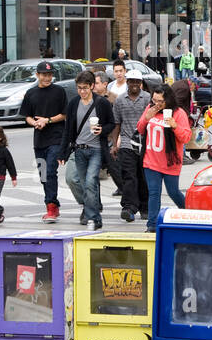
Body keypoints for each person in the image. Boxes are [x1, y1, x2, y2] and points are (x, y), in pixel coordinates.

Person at [60, 70, 115, 232]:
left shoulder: (101, 103)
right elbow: (68, 130)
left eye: (85, 88)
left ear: (92, 86)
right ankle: (95, 217)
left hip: (96, 149)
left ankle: (92, 218)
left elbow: (111, 124)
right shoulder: (73, 103)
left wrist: (102, 130)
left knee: (91, 182)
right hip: (79, 150)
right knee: (84, 184)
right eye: (79, 88)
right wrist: (62, 152)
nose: (82, 91)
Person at [139, 84, 191, 232]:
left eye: (160, 101)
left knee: (173, 192)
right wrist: (146, 118)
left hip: (170, 161)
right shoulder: (150, 109)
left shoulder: (179, 113)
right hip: (150, 160)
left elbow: (186, 137)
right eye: (154, 100)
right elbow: (140, 129)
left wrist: (175, 126)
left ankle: (191, 213)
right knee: (154, 193)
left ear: (168, 99)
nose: (157, 104)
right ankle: (152, 225)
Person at [20, 61, 67, 223]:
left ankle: (51, 206)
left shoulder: (59, 91)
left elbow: (65, 114)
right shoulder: (31, 93)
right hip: (39, 140)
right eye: (44, 75)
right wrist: (35, 123)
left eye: (50, 74)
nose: (47, 78)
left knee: (50, 171)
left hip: (56, 138)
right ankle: (54, 204)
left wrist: (47, 120)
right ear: (37, 75)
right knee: (43, 175)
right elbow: (26, 116)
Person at [110, 69, 150, 222]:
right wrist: (115, 144)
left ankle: (145, 207)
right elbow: (117, 123)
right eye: (131, 81)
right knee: (129, 176)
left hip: (145, 143)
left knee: (143, 177)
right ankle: (129, 207)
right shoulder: (120, 100)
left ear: (141, 83)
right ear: (127, 82)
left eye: (137, 82)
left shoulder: (148, 99)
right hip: (127, 143)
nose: (134, 84)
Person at [94, 71, 123, 195]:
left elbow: (119, 120)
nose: (93, 86)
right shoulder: (90, 98)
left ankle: (124, 190)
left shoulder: (114, 98)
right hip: (95, 139)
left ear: (105, 84)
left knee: (114, 167)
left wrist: (118, 139)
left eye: (96, 83)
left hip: (110, 138)